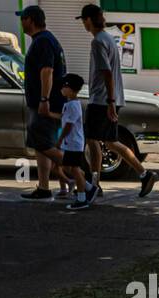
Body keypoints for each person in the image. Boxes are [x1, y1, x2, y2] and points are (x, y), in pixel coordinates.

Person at [78, 4, 156, 198]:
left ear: (88, 20)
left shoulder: (97, 42)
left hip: (102, 100)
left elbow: (107, 73)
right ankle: (144, 174)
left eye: (84, 20)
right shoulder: (108, 39)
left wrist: (110, 101)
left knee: (92, 140)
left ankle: (94, 184)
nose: (84, 24)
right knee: (111, 142)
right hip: (110, 98)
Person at [17, 5, 67, 200]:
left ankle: (84, 179)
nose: (21, 23)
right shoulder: (44, 40)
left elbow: (47, 71)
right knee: (41, 145)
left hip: (45, 103)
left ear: (31, 20)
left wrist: (44, 99)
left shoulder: (43, 42)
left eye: (23, 18)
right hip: (42, 101)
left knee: (42, 143)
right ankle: (44, 188)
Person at [56, 73, 95, 209]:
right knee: (68, 167)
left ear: (71, 89)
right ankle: (90, 188)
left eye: (64, 86)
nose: (61, 88)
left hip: (73, 142)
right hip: (71, 143)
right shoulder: (70, 104)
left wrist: (60, 139)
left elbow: (68, 125)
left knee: (75, 169)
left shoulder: (73, 105)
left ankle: (81, 198)